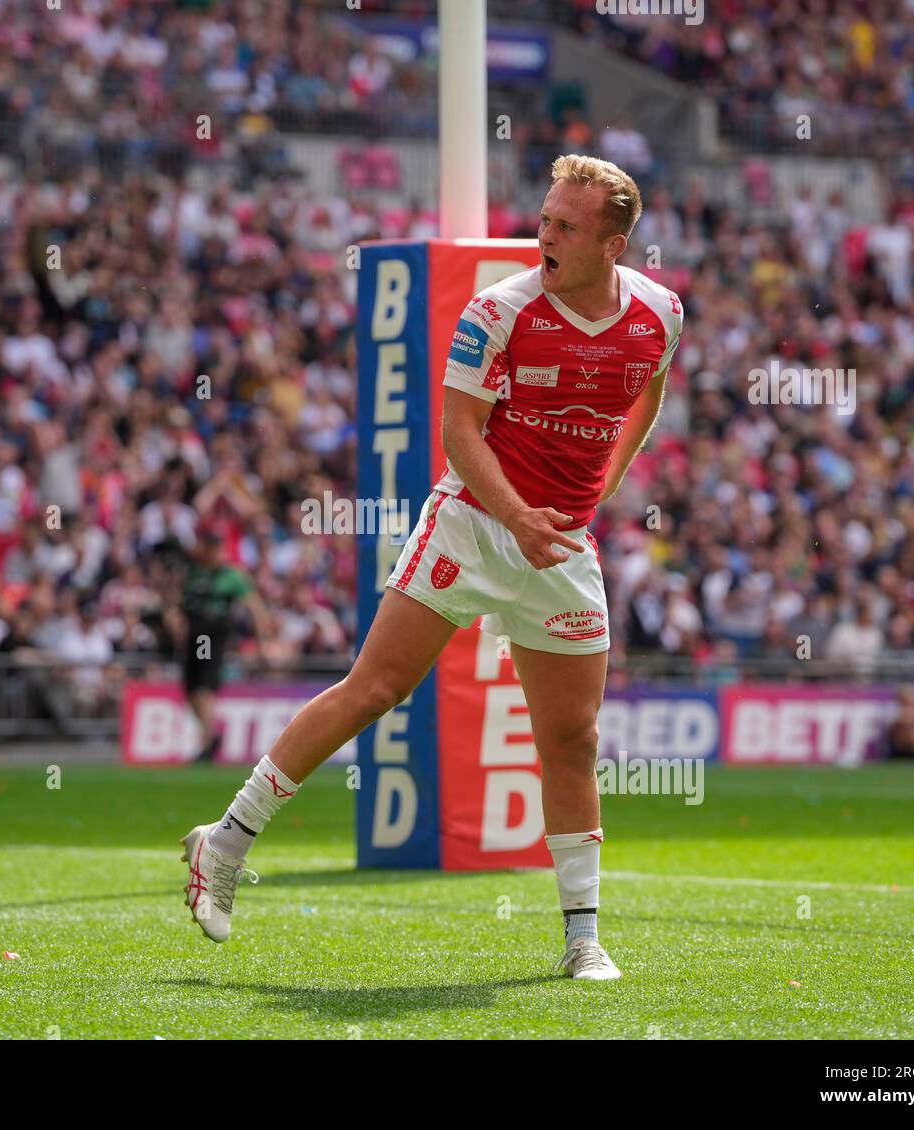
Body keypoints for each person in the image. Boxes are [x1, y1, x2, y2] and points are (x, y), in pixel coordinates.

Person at [181, 154, 683, 981]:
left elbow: (650, 391)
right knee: (375, 689)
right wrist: (516, 515)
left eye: (564, 224)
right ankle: (225, 841)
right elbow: (459, 432)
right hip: (477, 528)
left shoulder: (659, 313)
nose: (544, 232)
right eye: (545, 215)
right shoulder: (499, 311)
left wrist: (608, 482)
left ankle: (582, 938)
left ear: (613, 244)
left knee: (573, 737)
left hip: (557, 545)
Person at [171, 529, 271, 763]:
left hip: (210, 638)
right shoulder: (194, 573)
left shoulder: (232, 576)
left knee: (204, 684)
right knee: (190, 688)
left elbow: (253, 605)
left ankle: (208, 739)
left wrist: (262, 639)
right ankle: (210, 734)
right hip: (193, 638)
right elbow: (180, 604)